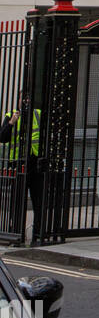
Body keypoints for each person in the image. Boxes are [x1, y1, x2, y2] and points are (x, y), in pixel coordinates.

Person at [0, 93, 43, 238]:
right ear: (18, 100)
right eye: (22, 98)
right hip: (18, 164)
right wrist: (12, 122)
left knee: (38, 200)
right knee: (17, 200)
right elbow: (2, 137)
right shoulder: (10, 115)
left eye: (28, 98)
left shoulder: (38, 114)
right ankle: (16, 231)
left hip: (35, 163)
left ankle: (38, 232)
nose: (26, 100)